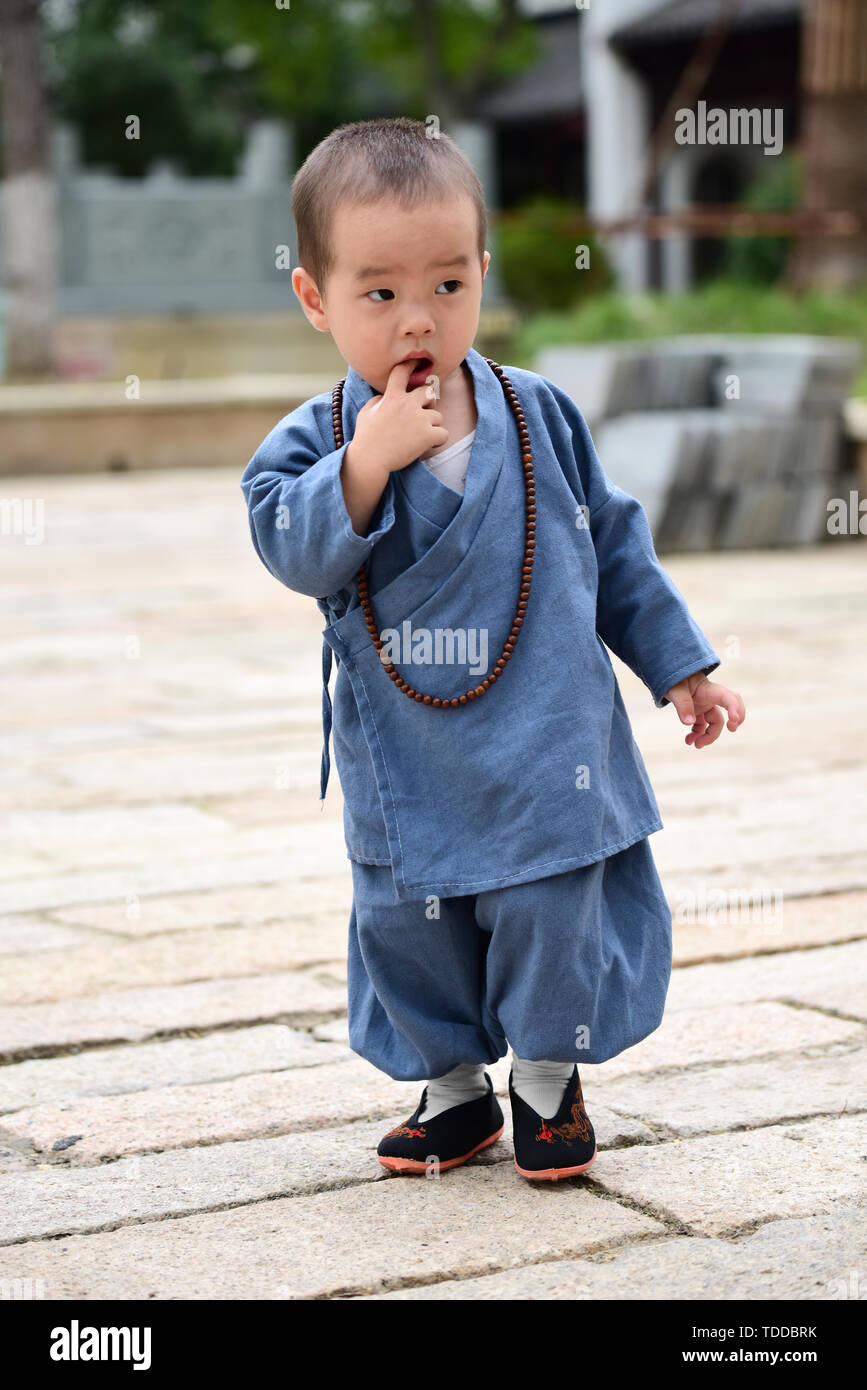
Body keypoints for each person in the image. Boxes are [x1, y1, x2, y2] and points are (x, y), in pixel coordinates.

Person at [240, 117, 746, 1181]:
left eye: (448, 286)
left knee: (548, 904)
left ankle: (549, 1079)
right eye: (379, 294)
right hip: (406, 743)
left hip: (545, 734)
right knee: (410, 920)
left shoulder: (538, 413)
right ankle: (454, 1085)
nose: (418, 319)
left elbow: (613, 543)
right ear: (316, 298)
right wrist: (366, 465)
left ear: (482, 272)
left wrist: (679, 665)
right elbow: (287, 541)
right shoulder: (318, 437)